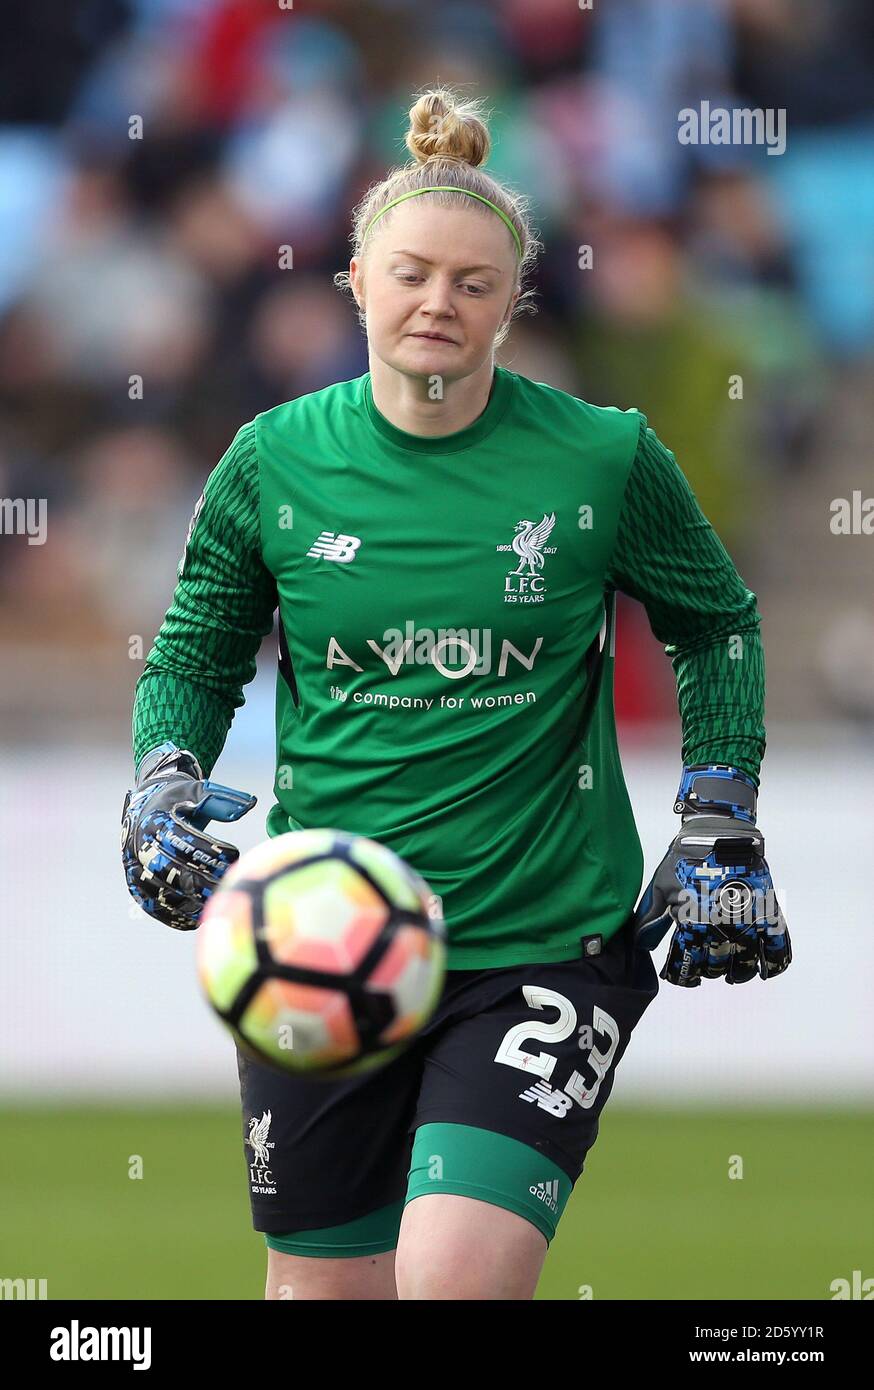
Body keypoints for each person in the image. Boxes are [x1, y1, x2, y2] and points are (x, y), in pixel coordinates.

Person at [122, 87, 791, 1301]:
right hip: (322, 934)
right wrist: (161, 777)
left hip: (542, 938)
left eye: (474, 283)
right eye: (412, 273)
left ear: (512, 301)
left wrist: (718, 809)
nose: (439, 301)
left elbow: (717, 622)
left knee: (453, 1283)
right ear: (357, 281)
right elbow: (193, 649)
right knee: (319, 1293)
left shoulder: (603, 455)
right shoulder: (272, 459)